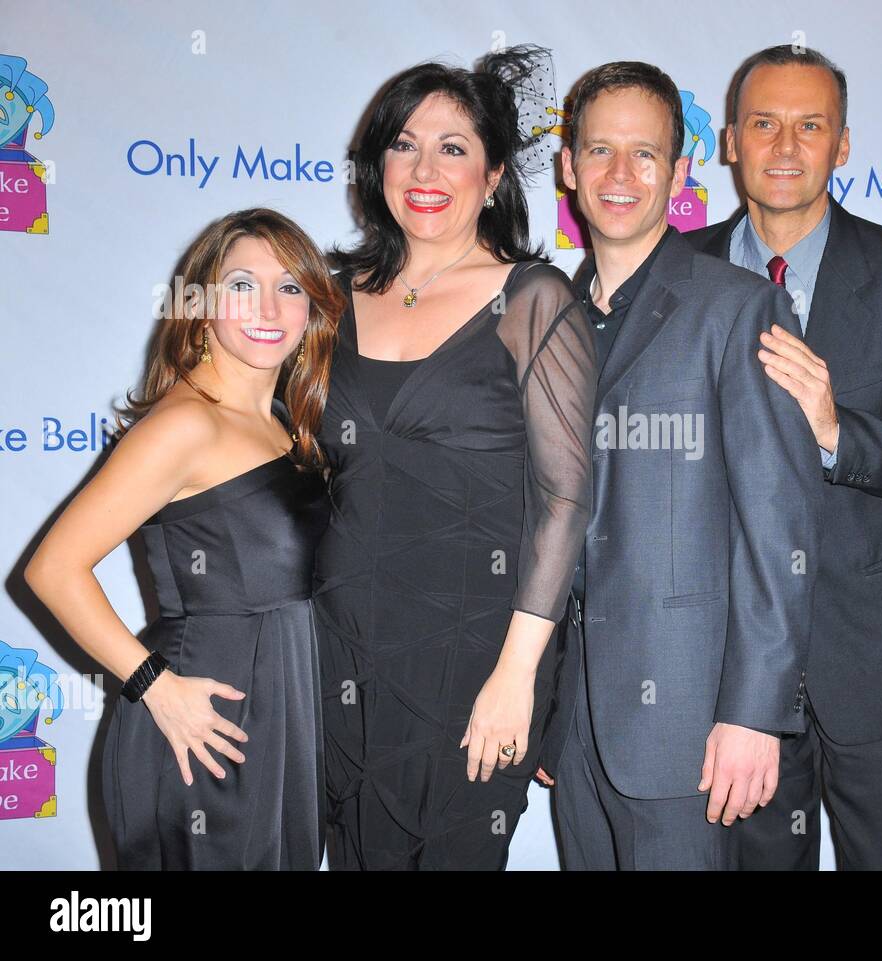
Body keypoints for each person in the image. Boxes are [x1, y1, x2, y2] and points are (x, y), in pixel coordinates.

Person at [686, 45, 882, 869]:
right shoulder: (677, 274)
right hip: (727, 666)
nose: (785, 147)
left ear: (842, 145)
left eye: (810, 126)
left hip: (875, 664)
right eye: (764, 124)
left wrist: (832, 424)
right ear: (730, 141)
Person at [535, 61, 821, 871]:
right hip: (575, 724)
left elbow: (781, 527)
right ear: (568, 167)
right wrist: (551, 701)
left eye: (646, 154)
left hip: (689, 725)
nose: (620, 176)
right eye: (599, 152)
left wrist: (756, 713)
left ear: (682, 170)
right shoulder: (546, 314)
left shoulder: (739, 307)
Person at [315, 47, 595, 870]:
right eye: (403, 143)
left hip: (475, 656)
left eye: (454, 147)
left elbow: (567, 499)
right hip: (340, 648)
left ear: (495, 172)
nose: (425, 168)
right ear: (376, 164)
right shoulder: (327, 295)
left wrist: (516, 675)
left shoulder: (533, 296)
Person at [25, 208, 343, 869]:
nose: (268, 305)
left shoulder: (286, 423)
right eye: (242, 284)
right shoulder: (185, 424)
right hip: (205, 736)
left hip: (281, 725)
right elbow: (53, 569)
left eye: (289, 286)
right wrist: (157, 688)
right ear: (200, 304)